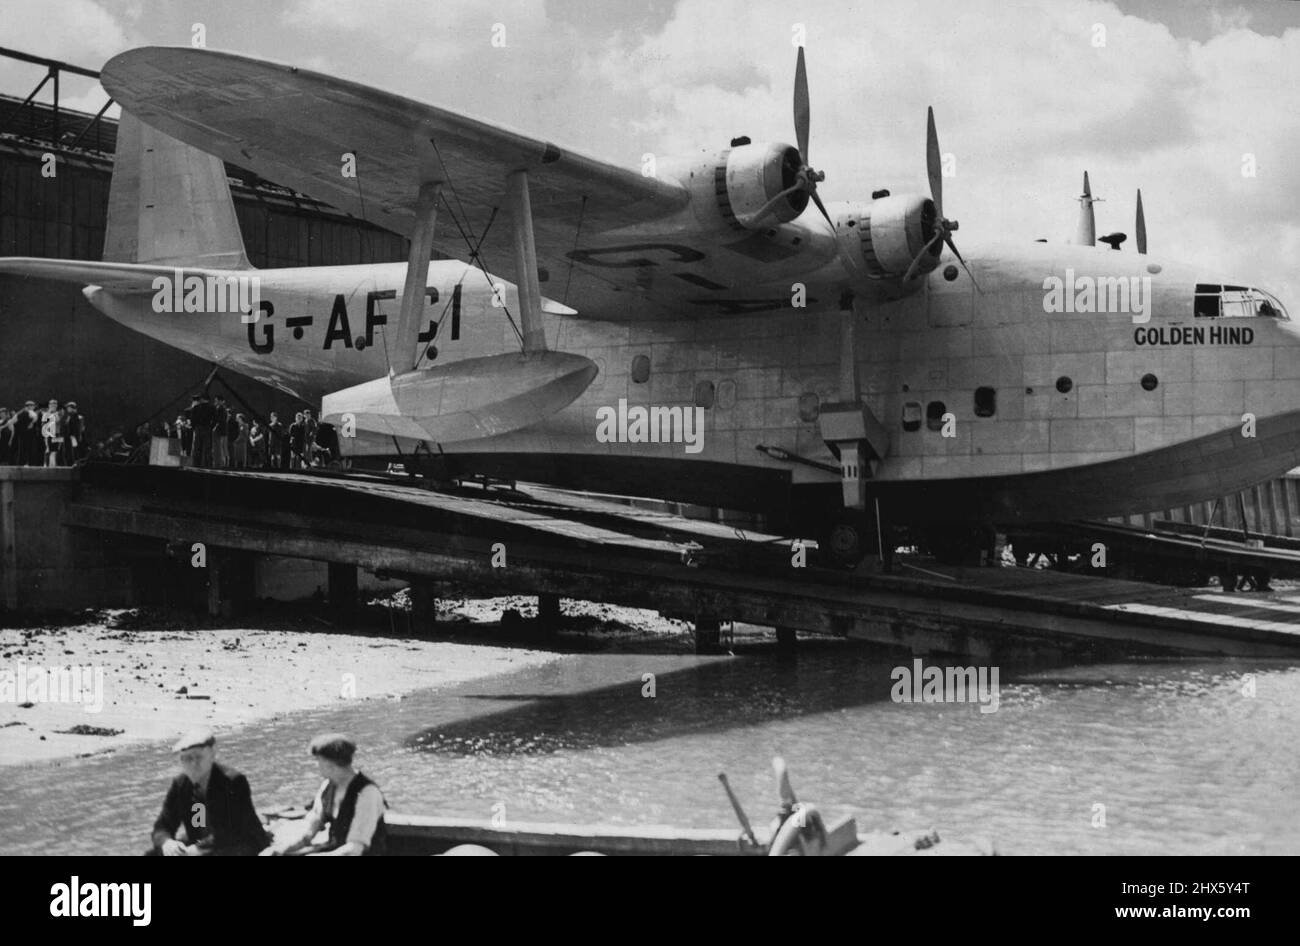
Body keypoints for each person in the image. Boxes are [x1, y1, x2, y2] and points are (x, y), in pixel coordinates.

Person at [147, 728, 270, 856]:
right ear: (181, 761)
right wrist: (167, 843)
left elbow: (230, 831)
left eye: (199, 757)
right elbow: (162, 826)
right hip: (202, 843)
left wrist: (197, 849)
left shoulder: (233, 781)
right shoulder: (180, 785)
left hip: (242, 843)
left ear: (212, 754)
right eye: (188, 759)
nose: (194, 764)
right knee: (153, 853)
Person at [261, 734, 387, 856]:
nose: (317, 765)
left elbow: (355, 849)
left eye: (318, 760)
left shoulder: (367, 793)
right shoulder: (328, 787)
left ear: (330, 764)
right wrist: (280, 850)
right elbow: (308, 834)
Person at [188, 394, 214, 468]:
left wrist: (194, 427)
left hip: (198, 428)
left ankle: (196, 464)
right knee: (208, 448)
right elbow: (215, 419)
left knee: (197, 447)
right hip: (207, 428)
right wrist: (211, 427)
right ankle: (208, 464)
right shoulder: (212, 407)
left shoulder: (196, 408)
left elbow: (192, 419)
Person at [41, 399, 63, 467]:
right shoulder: (46, 414)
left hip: (57, 433)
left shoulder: (60, 412)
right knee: (48, 449)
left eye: (54, 404)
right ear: (49, 405)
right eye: (51, 404)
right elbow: (43, 424)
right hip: (49, 434)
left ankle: (55, 464)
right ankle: (46, 465)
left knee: (57, 450)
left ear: (56, 405)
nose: (53, 405)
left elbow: (58, 421)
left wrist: (54, 413)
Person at [212, 395, 230, 468]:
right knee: (220, 448)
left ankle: (219, 464)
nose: (215, 402)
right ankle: (221, 463)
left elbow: (220, 420)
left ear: (220, 401)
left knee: (218, 448)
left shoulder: (221, 409)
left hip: (219, 431)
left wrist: (215, 427)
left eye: (216, 400)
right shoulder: (222, 409)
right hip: (221, 431)